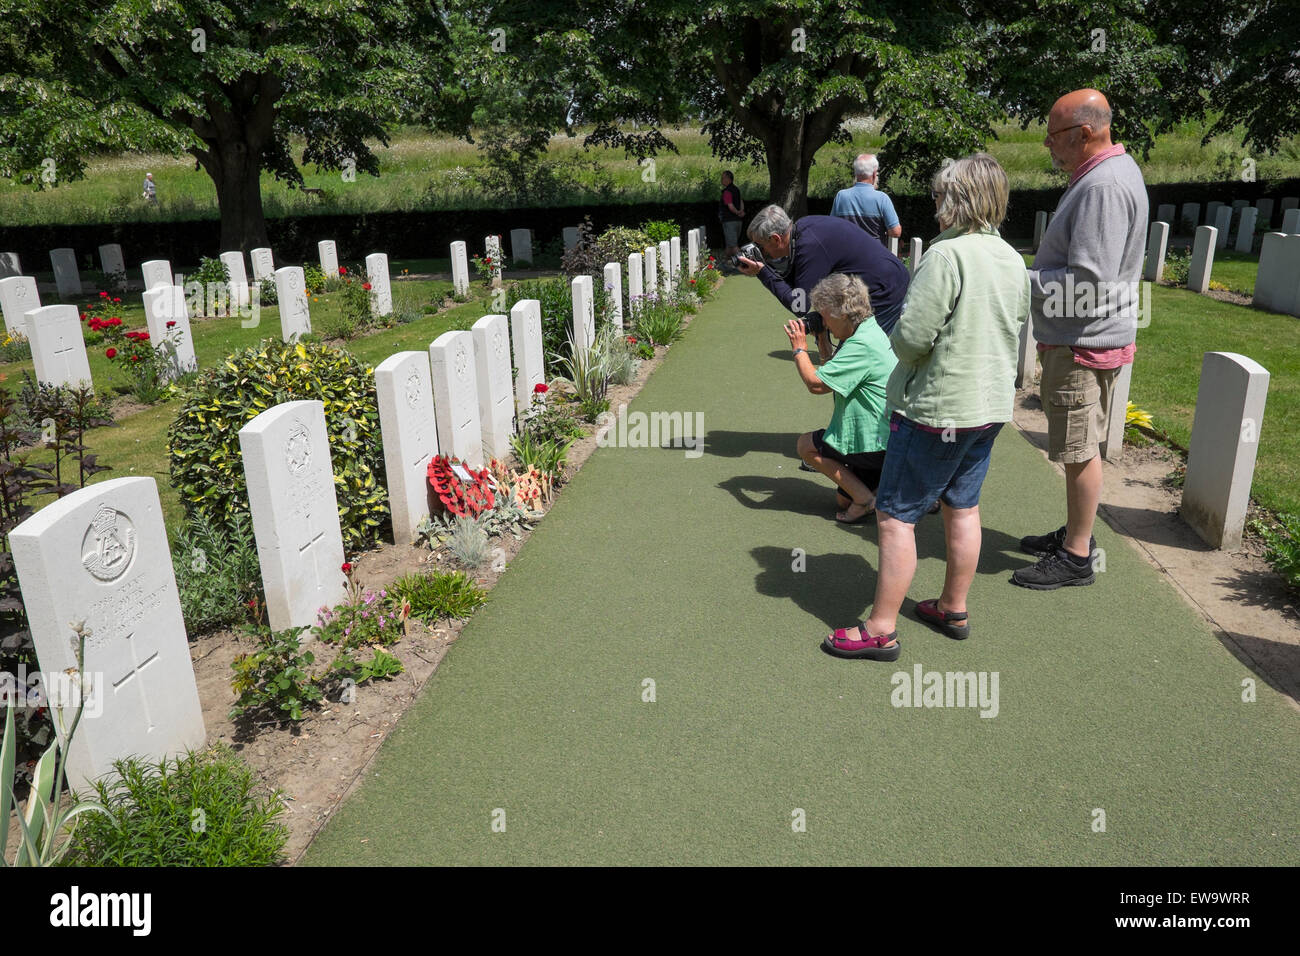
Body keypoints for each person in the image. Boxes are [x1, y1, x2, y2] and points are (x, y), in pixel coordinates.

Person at [822, 153, 1029, 660]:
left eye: (939, 196)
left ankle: (880, 628)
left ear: (954, 200)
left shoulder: (944, 256)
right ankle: (952, 605)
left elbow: (912, 339)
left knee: (895, 516)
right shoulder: (1012, 257)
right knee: (963, 507)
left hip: (937, 408)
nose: (935, 205)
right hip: (989, 407)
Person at [1011, 89, 1147, 591]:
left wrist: (1022, 280)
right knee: (1078, 445)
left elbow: (1088, 284)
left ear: (1085, 133)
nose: (1048, 144)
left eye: (1054, 134)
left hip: (1082, 341)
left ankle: (1076, 556)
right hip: (1086, 337)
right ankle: (1077, 533)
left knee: (1078, 449)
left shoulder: (1103, 186)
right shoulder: (1109, 173)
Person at [784, 274, 898, 524]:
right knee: (842, 501)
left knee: (806, 446)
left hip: (873, 441)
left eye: (824, 315)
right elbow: (834, 374)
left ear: (842, 314)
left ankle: (867, 499)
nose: (822, 320)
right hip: (885, 436)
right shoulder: (868, 330)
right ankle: (879, 489)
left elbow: (817, 385)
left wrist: (799, 348)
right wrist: (822, 339)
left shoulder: (861, 345)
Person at [737, 206, 910, 337]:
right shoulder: (803, 228)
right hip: (884, 280)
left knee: (858, 354)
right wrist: (765, 268)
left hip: (886, 289)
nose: (760, 252)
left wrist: (762, 272)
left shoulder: (810, 246)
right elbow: (797, 283)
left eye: (761, 246)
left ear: (776, 239)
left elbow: (799, 304)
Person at [830, 153, 902, 246]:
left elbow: (832, 226)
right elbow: (896, 232)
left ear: (856, 173)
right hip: (873, 254)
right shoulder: (882, 198)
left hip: (847, 254)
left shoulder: (841, 196)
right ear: (874, 173)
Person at [718, 170, 745, 265]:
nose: (721, 180)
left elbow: (730, 205)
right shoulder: (736, 189)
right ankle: (724, 263)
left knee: (733, 246)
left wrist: (737, 212)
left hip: (729, 221)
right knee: (730, 245)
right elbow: (741, 201)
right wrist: (741, 212)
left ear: (728, 179)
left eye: (723, 178)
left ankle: (745, 263)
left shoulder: (727, 192)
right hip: (738, 222)